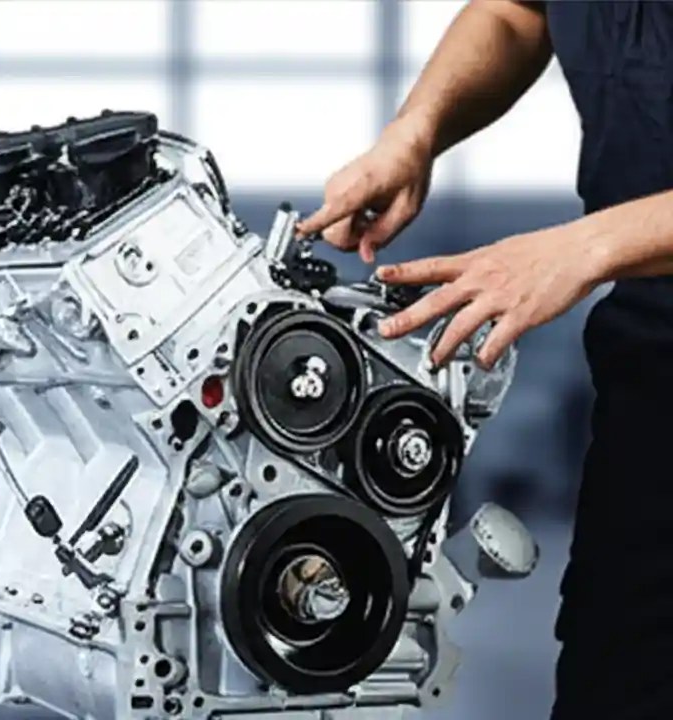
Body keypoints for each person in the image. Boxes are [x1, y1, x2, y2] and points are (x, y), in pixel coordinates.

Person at [293, 2, 673, 718]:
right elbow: (516, 11)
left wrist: (588, 247)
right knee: (618, 679)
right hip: (649, 368)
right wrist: (416, 130)